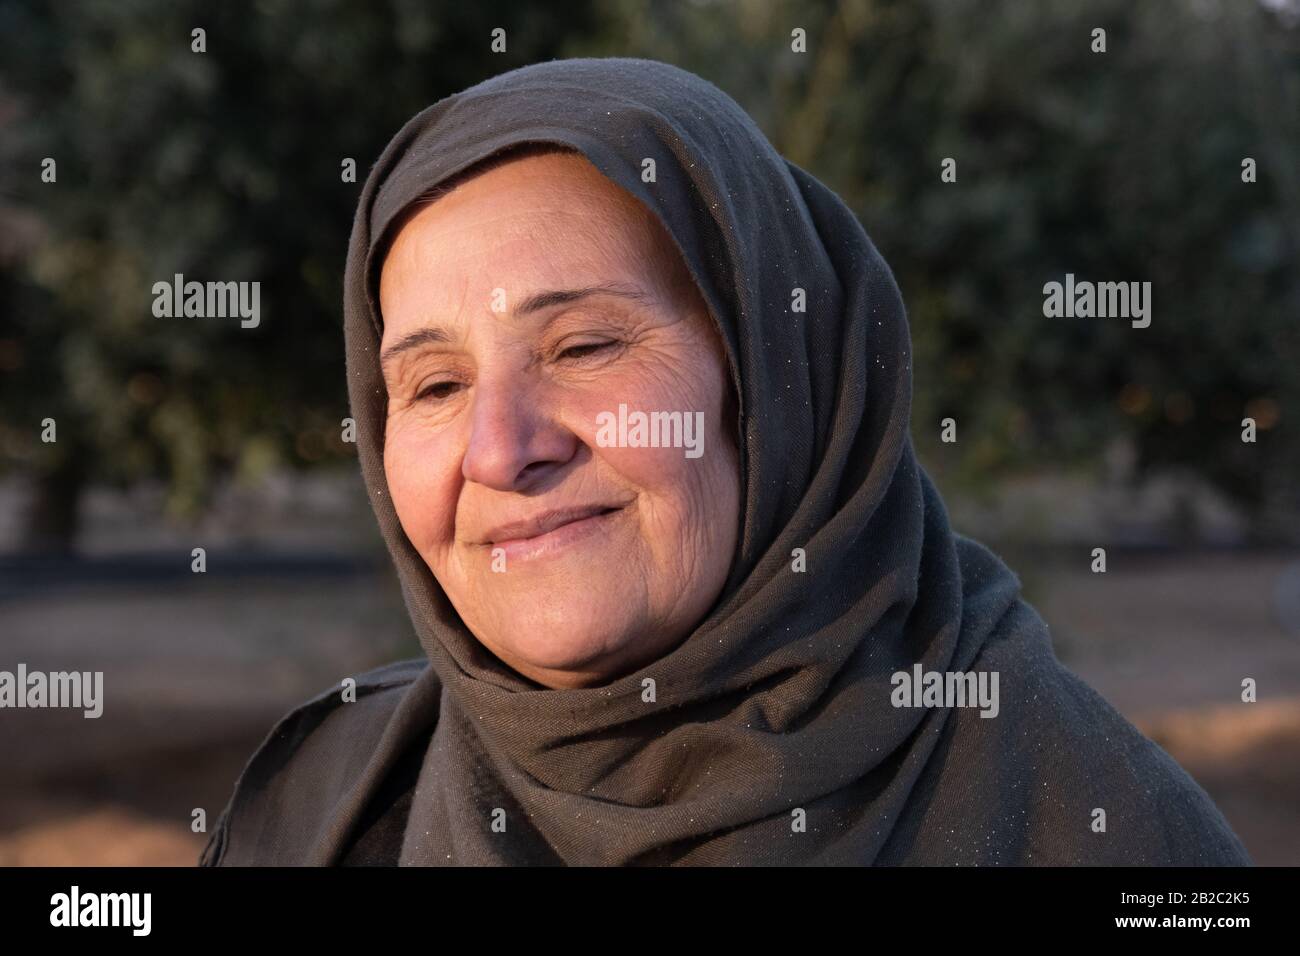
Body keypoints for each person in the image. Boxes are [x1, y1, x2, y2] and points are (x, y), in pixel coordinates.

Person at [201, 57, 1252, 866]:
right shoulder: (320, 809)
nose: (502, 447)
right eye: (434, 385)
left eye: (583, 346)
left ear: (779, 381)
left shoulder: (1092, 824)